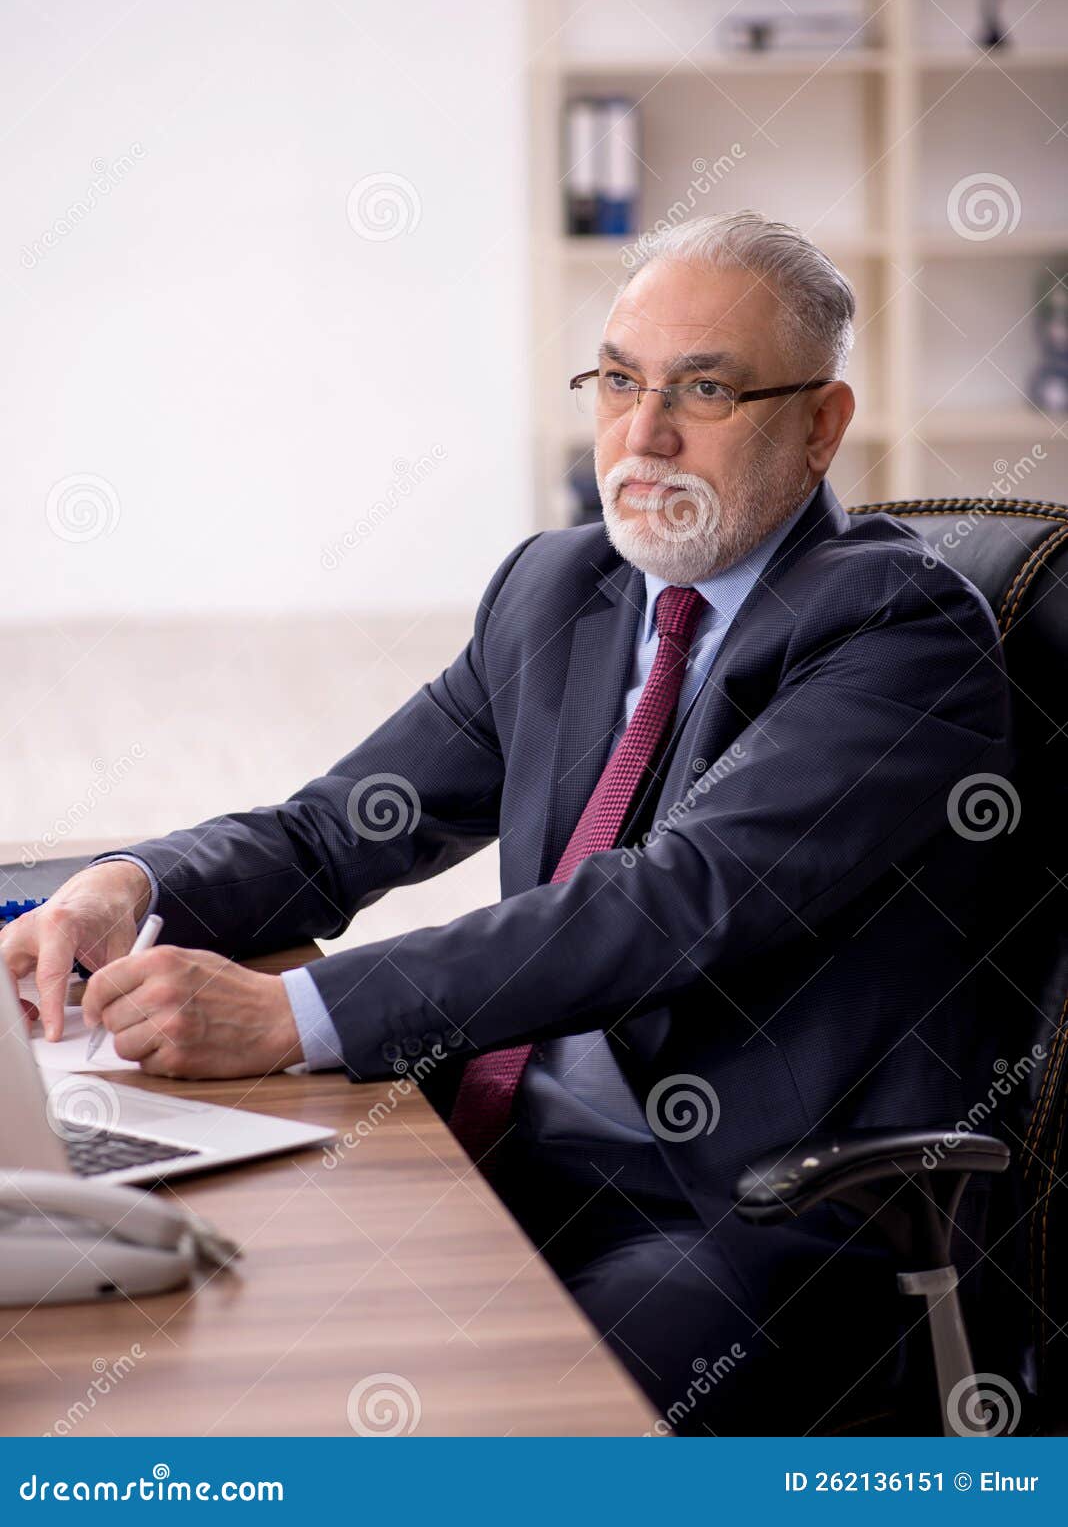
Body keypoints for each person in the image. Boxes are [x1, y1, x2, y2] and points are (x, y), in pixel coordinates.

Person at [3, 212, 1017, 1432]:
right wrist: (129, 885)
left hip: (745, 1211)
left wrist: (287, 1013)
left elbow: (671, 900)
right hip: (517, 1150)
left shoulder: (900, 631)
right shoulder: (562, 587)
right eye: (620, 381)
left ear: (820, 424)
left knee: (495, 1433)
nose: (643, 435)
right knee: (198, 1345)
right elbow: (337, 832)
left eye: (704, 389)